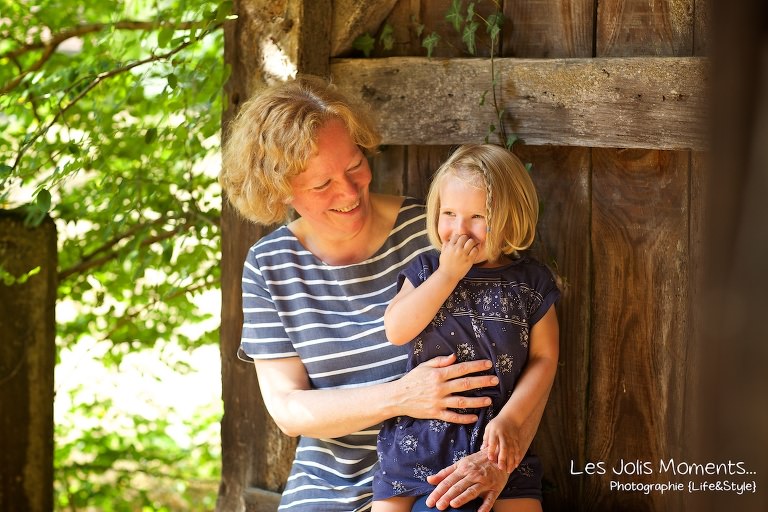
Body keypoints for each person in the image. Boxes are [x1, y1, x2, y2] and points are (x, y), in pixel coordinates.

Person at [219, 75, 544, 512]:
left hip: (445, 470)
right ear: (279, 192)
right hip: (329, 488)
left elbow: (526, 354)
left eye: (354, 166)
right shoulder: (269, 264)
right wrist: (402, 395)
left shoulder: (437, 230)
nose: (350, 192)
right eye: (321, 185)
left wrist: (502, 457)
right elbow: (289, 409)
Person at [372, 144, 560, 512]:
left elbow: (544, 358)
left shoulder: (531, 283)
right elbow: (396, 329)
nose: (460, 230)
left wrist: (511, 419)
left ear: (511, 218)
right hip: (417, 442)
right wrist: (447, 274)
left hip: (498, 440)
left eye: (478, 217)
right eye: (449, 214)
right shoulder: (427, 269)